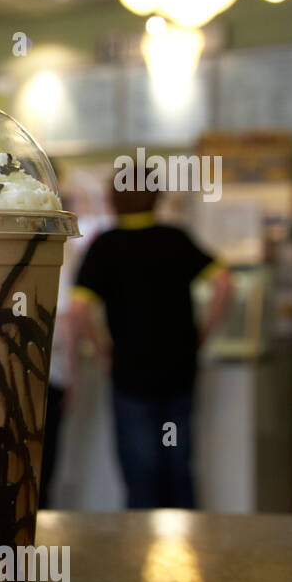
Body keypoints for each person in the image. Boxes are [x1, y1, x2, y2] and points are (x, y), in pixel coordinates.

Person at [69, 171, 233, 509]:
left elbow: (79, 308)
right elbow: (224, 282)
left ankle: (141, 550)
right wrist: (202, 333)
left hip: (130, 374)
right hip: (179, 371)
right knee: (179, 464)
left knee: (141, 471)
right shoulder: (176, 239)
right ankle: (188, 548)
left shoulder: (106, 244)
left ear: (114, 200)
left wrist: (103, 352)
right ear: (156, 197)